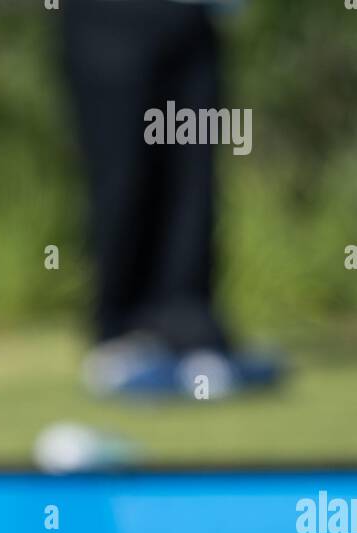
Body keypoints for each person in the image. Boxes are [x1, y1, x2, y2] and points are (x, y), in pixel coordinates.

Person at [60, 0, 282, 398]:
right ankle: (121, 338)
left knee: (194, 177)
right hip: (108, 18)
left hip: (193, 17)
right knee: (123, 174)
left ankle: (190, 331)